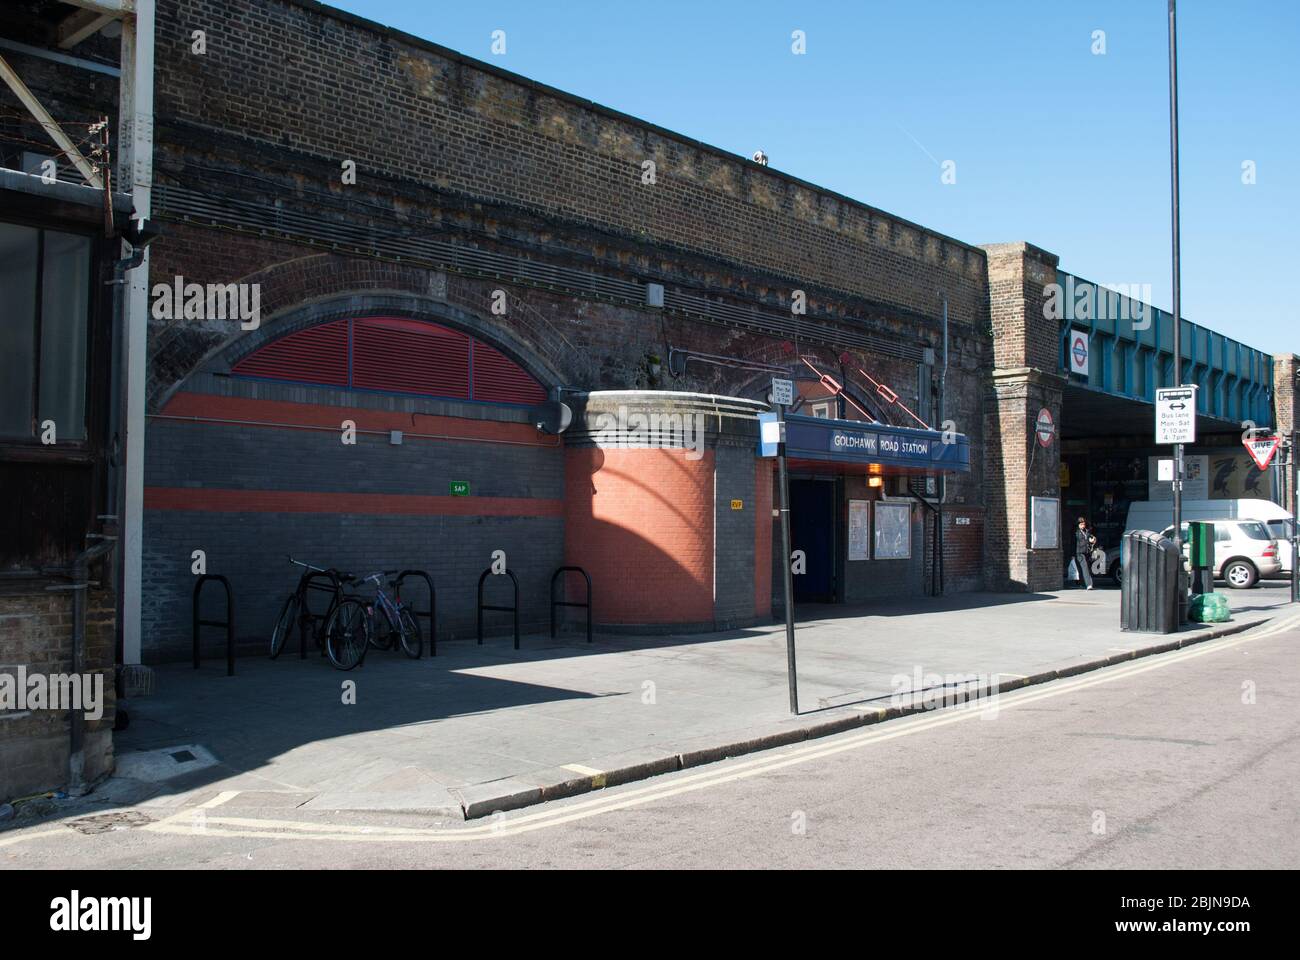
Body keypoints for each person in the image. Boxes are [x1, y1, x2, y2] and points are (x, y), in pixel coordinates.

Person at [1074, 517, 1096, 590]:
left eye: (1084, 524)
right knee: (1085, 568)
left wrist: (1092, 540)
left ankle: (1081, 583)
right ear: (1078, 525)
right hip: (1079, 553)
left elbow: (1091, 538)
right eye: (1081, 524)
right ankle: (1089, 584)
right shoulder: (1076, 533)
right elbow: (1073, 543)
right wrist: (1072, 555)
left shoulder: (1087, 531)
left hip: (1086, 552)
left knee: (1083, 568)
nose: (1083, 526)